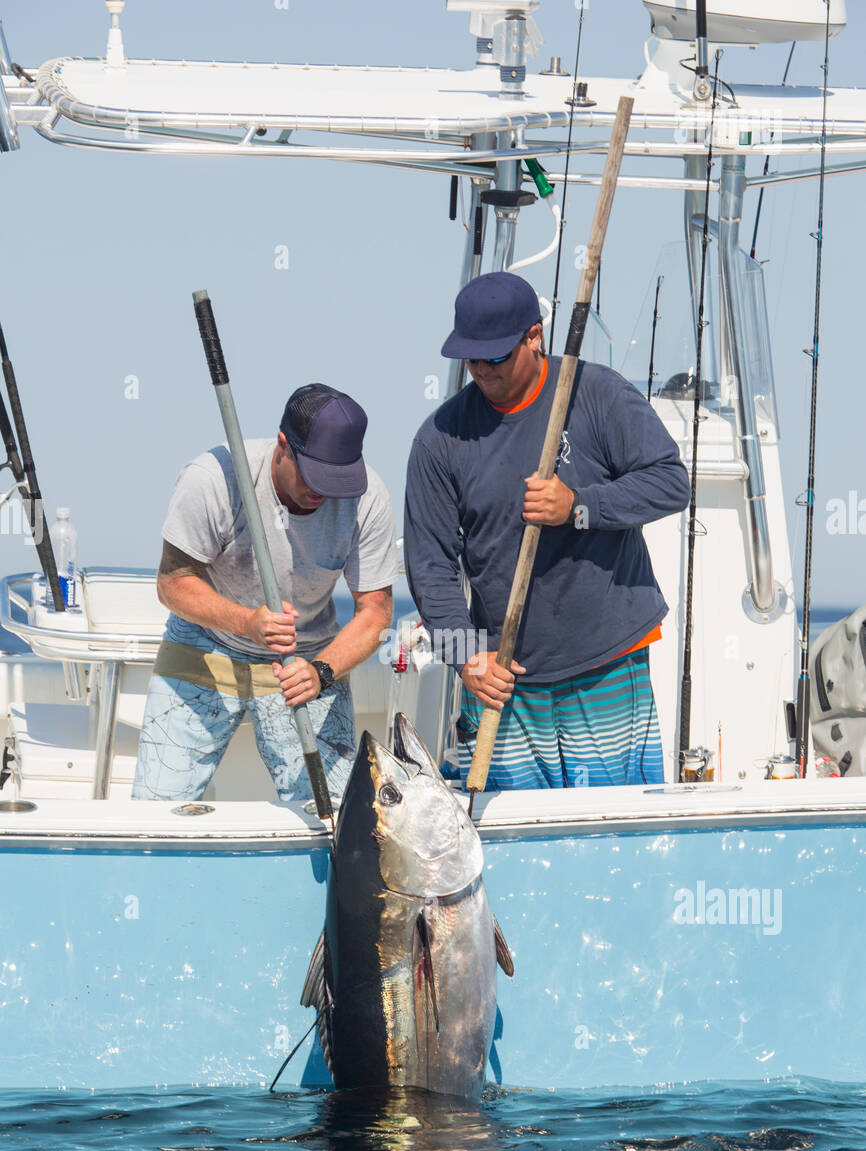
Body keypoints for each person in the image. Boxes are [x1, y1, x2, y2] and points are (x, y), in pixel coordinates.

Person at [403, 271, 690, 791]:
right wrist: (465, 653)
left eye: (494, 357)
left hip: (607, 659)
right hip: (503, 677)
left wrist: (578, 505)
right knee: (512, 837)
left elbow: (670, 483)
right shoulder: (439, 440)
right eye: (469, 358)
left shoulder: (596, 393)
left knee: (612, 828)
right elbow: (430, 566)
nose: (480, 371)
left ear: (535, 336)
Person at [133, 383, 398, 803]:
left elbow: (375, 613)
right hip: (206, 643)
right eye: (314, 477)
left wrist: (321, 672)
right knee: (156, 809)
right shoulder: (214, 478)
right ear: (283, 446)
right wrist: (246, 622)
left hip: (304, 663)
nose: (323, 493)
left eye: (337, 480)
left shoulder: (368, 498)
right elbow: (171, 583)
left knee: (328, 817)